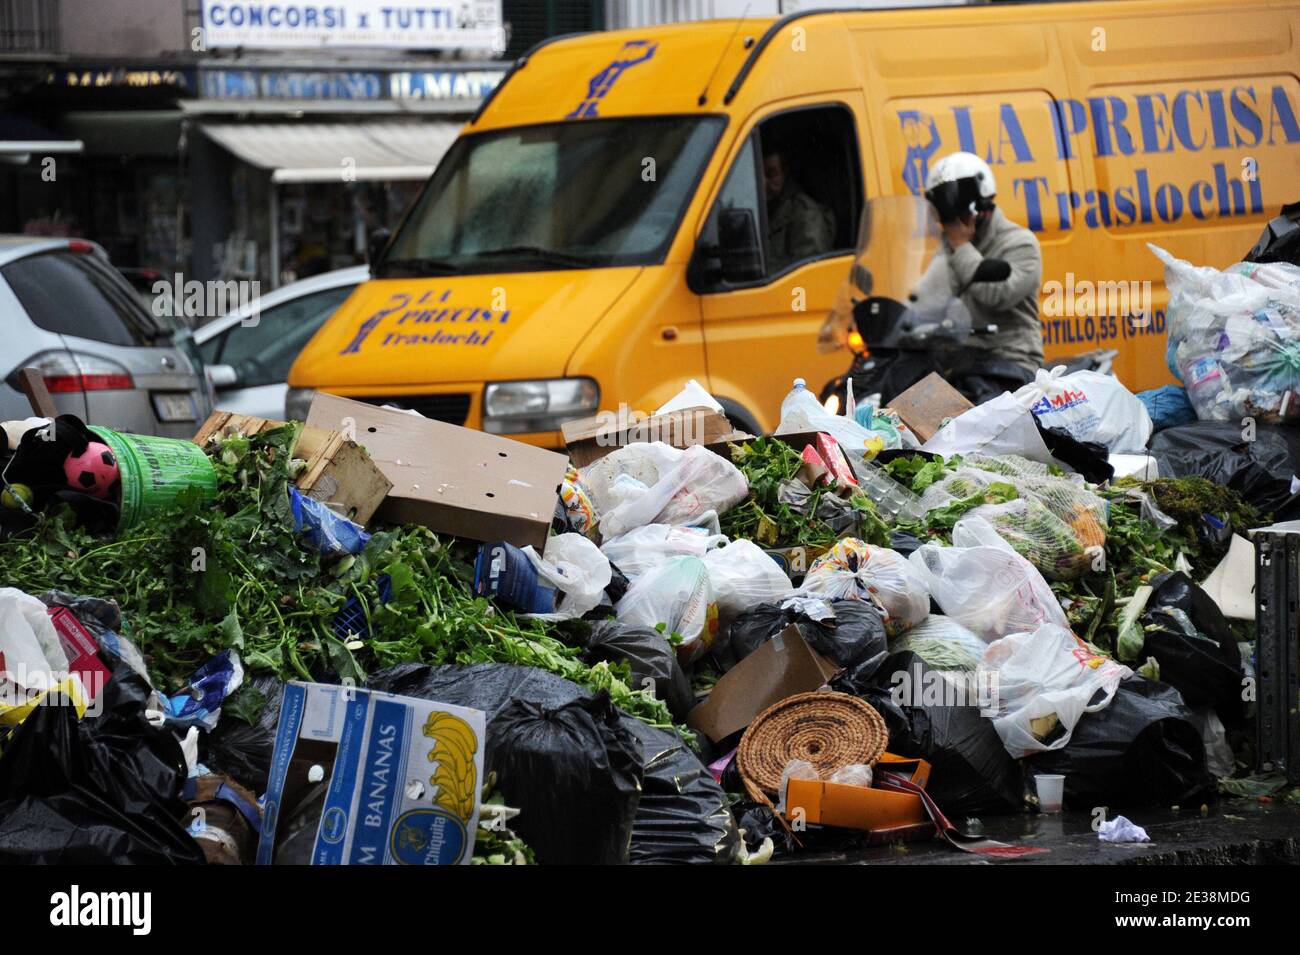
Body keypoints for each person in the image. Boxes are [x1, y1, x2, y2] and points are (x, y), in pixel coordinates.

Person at [917, 151, 1044, 386]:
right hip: (960, 360)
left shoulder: (1020, 243)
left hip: (1010, 358)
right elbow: (926, 296)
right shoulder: (949, 246)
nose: (954, 223)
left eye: (960, 213)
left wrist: (961, 245)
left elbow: (996, 295)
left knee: (980, 412)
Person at [763, 148, 835, 272]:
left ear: (785, 172)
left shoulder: (807, 214)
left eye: (771, 174)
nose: (764, 183)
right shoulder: (761, 208)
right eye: (758, 176)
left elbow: (808, 271)